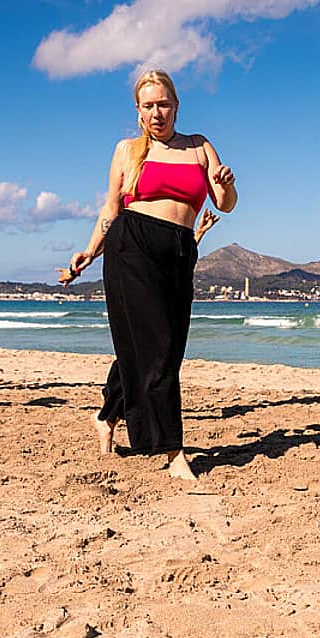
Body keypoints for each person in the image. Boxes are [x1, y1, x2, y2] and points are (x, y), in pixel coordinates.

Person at [66, 69, 237, 481]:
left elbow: (226, 204)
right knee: (157, 348)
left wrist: (228, 184)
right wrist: (90, 251)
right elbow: (111, 209)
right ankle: (173, 450)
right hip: (132, 248)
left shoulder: (198, 146)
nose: (157, 113)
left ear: (176, 105)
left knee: (164, 348)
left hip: (180, 251)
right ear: (138, 111)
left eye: (163, 104)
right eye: (148, 106)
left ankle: (107, 416)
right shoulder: (127, 150)